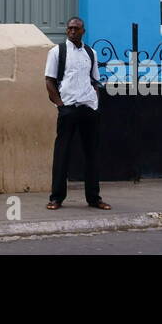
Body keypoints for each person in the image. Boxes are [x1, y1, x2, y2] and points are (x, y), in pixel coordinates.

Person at [43, 17, 110, 211]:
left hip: (88, 108)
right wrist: (60, 105)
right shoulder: (57, 52)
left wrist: (95, 104)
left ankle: (94, 198)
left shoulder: (91, 52)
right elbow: (49, 80)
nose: (72, 31)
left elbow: (95, 81)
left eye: (76, 29)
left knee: (92, 155)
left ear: (83, 31)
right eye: (70, 28)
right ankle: (56, 198)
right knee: (62, 154)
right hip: (68, 109)